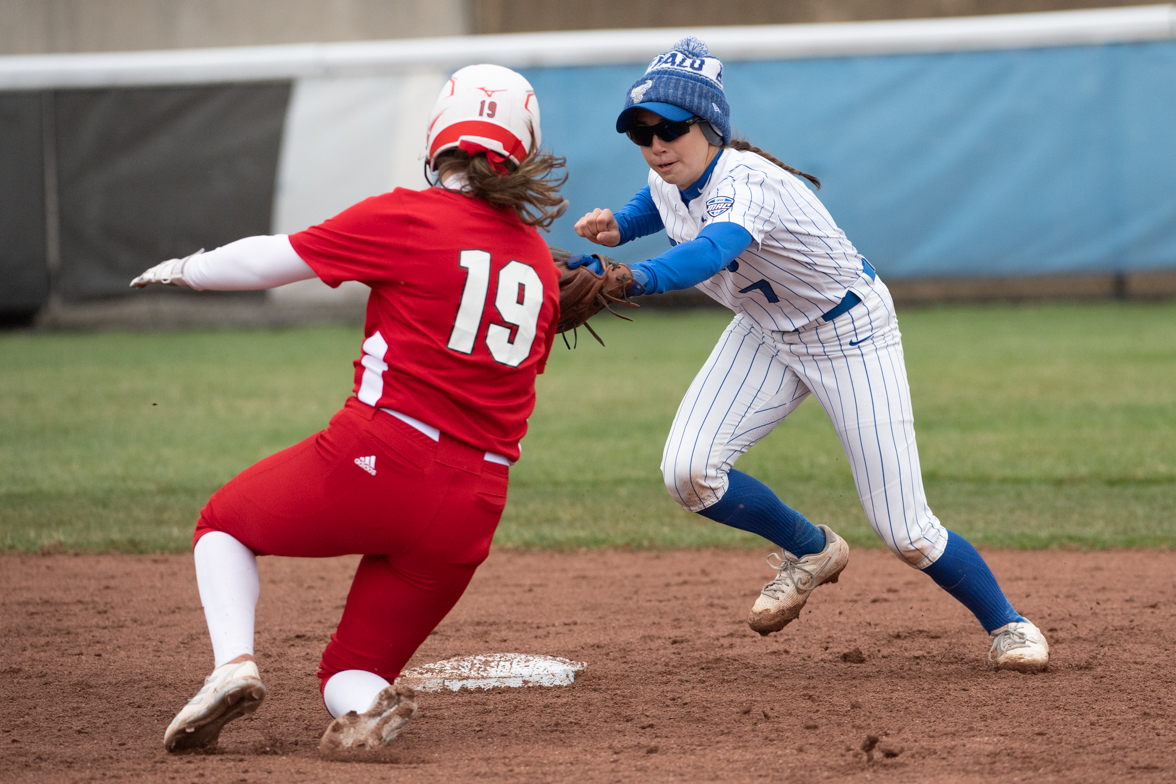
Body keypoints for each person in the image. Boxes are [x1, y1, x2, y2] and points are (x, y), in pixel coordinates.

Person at [572, 37, 1049, 672]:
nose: (657, 144)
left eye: (672, 128)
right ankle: (812, 549)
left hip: (850, 334)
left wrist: (633, 276)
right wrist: (619, 229)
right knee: (688, 473)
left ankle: (1009, 625)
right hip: (764, 331)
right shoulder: (670, 174)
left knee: (907, 533)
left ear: (710, 126)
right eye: (640, 131)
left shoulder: (750, 184)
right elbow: (658, 202)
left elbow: (709, 251)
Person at [131, 64, 567, 752]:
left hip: (382, 455)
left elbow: (275, 260)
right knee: (351, 669)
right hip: (474, 503)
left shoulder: (409, 213)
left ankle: (232, 667)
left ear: (439, 137)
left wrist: (190, 268)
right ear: (525, 147)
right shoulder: (540, 265)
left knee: (222, 527)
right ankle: (369, 708)